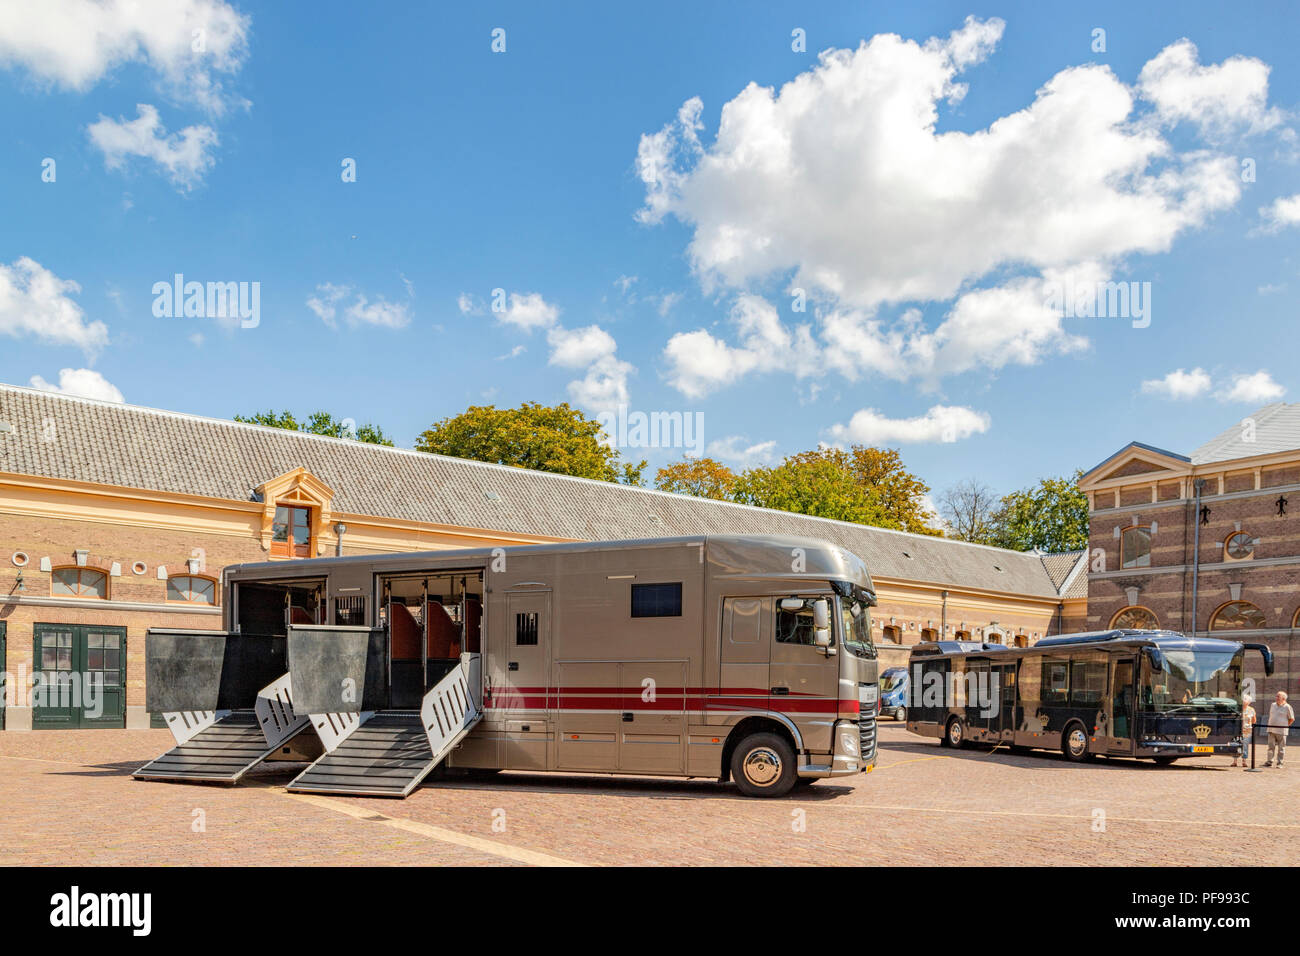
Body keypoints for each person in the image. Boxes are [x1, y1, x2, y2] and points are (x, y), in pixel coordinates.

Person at [1263, 690, 1294, 768]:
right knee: (1270, 747)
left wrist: (1285, 726)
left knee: (1281, 748)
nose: (1276, 698)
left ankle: (1280, 763)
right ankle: (1269, 761)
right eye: (1276, 696)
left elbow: (1292, 719)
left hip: (1282, 731)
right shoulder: (1273, 705)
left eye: (1278, 696)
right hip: (1271, 730)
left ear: (1283, 698)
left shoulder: (1287, 707)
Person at [1232, 694, 1255, 768]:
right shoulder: (1237, 709)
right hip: (1237, 730)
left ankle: (1244, 761)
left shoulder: (1251, 710)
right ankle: (1235, 761)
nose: (1243, 701)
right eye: (1243, 699)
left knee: (1245, 746)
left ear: (1249, 702)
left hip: (1247, 731)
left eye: (1245, 700)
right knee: (1235, 745)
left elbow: (1254, 720)